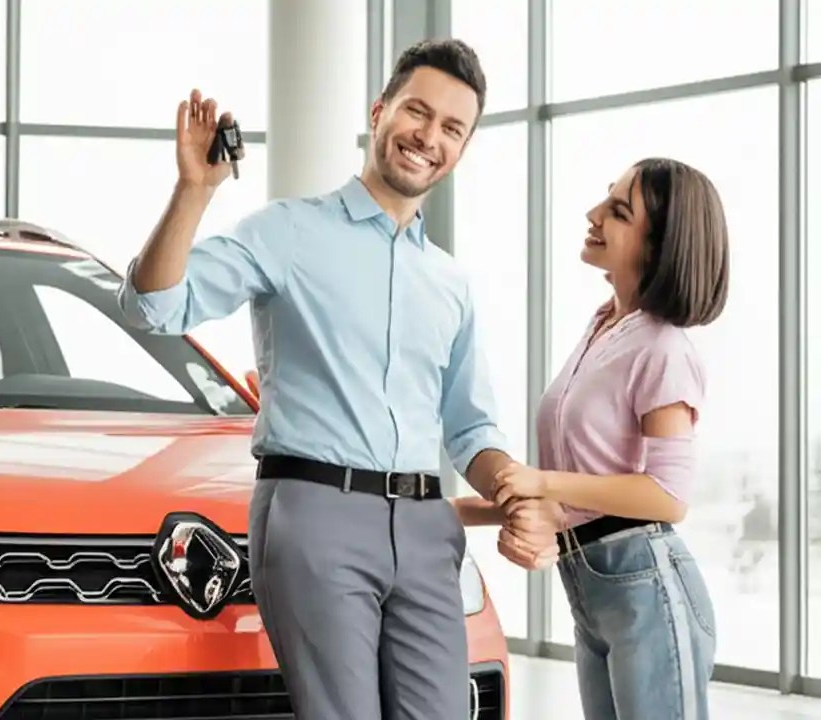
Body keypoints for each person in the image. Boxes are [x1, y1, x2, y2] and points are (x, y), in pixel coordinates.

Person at [117, 38, 559, 720]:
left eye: (451, 128)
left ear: (462, 150)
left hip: (425, 526)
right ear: (380, 111)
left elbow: (470, 427)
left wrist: (515, 489)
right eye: (417, 111)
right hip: (315, 513)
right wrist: (192, 193)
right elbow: (156, 305)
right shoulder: (288, 232)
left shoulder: (449, 283)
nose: (428, 137)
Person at [489, 157, 728, 719]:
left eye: (619, 212)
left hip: (644, 583)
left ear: (658, 246)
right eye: (606, 200)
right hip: (591, 587)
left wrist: (542, 482)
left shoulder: (663, 348)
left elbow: (668, 496)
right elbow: (582, 480)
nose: (594, 215)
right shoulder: (604, 326)